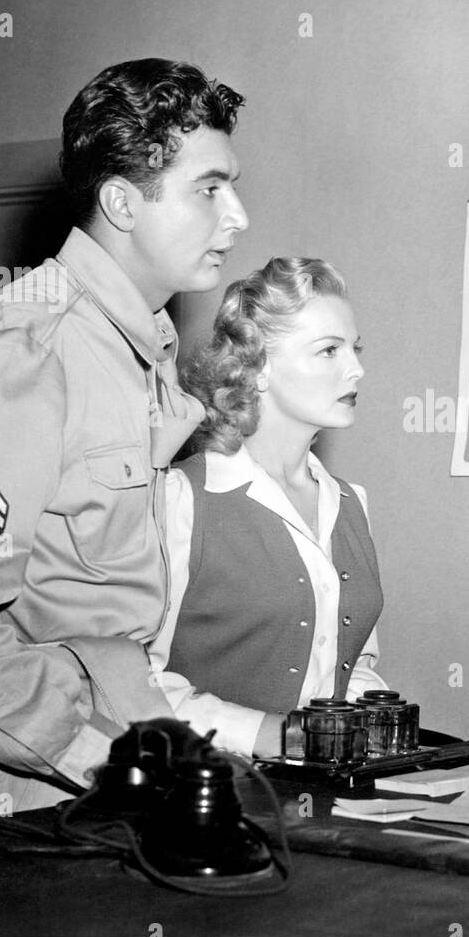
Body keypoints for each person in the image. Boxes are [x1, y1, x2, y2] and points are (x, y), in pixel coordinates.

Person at [0, 58, 248, 826]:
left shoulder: (133, 350)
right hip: (12, 805)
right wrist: (106, 761)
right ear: (121, 202)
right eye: (209, 189)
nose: (236, 216)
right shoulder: (29, 346)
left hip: (106, 778)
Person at [148, 258, 388, 759]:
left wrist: (375, 725)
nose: (356, 368)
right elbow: (132, 682)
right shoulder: (181, 499)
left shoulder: (350, 503)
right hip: (205, 797)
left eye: (355, 349)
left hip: (327, 800)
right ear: (257, 369)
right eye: (329, 350)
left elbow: (352, 661)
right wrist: (275, 737)